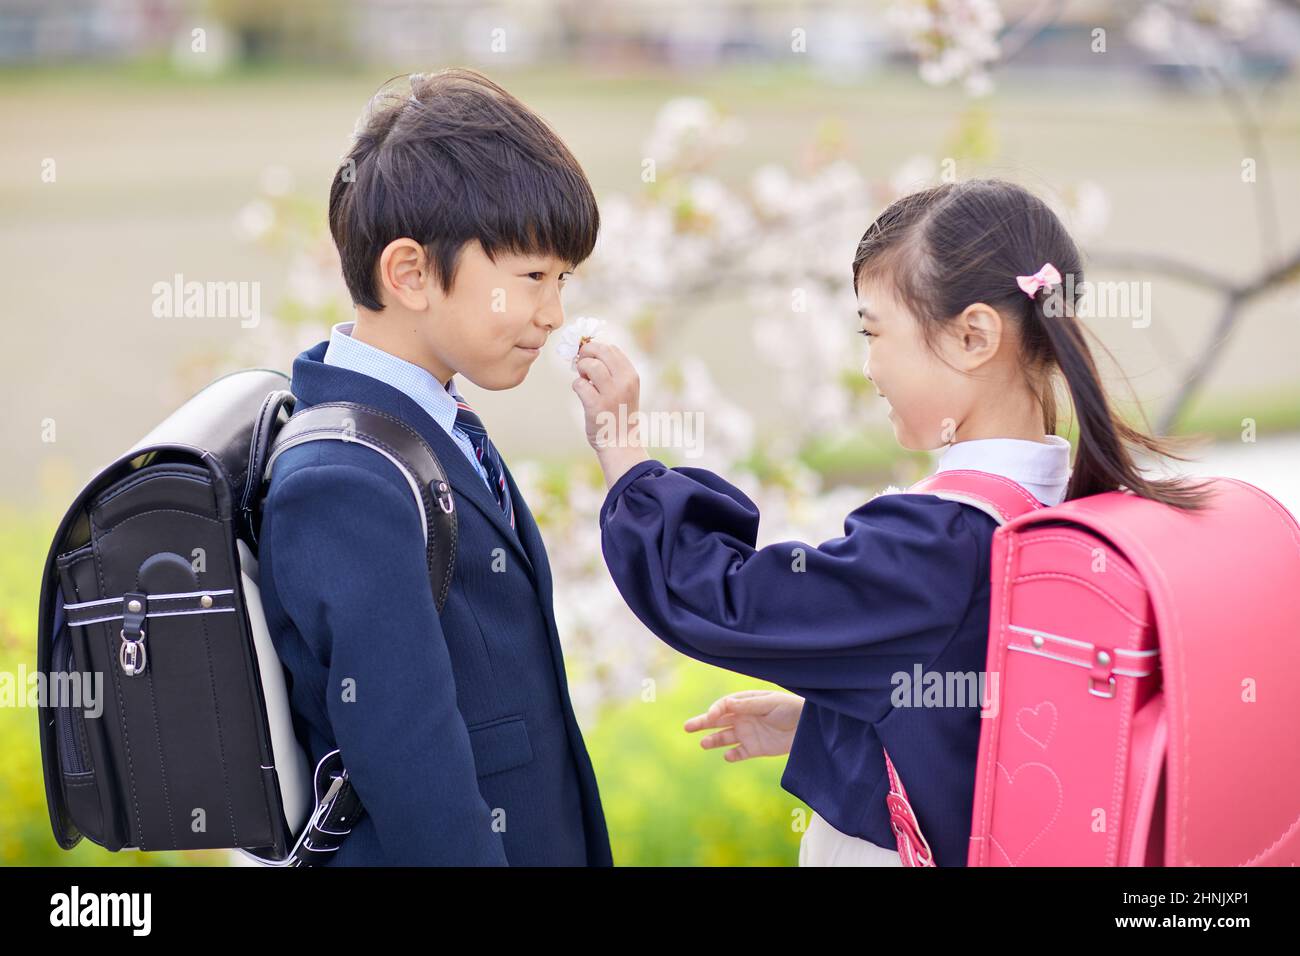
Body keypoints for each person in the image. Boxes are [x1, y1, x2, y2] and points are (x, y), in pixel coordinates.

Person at [571, 178, 1205, 866]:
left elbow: (722, 600)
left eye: (873, 332)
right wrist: (825, 725)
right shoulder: (1066, 506)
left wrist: (624, 454)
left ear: (974, 336)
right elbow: (979, 728)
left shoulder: (938, 542)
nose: (869, 368)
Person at [259, 68, 612, 865]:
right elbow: (411, 764)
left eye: (562, 280)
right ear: (411, 274)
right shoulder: (344, 480)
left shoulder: (427, 424)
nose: (554, 314)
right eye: (532, 277)